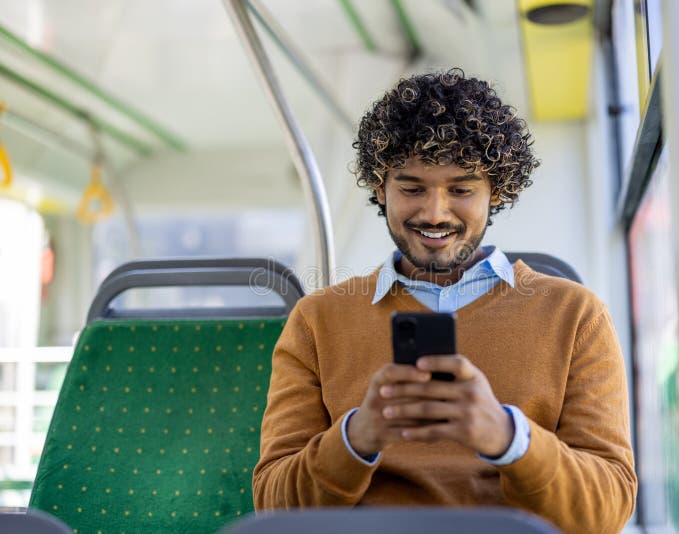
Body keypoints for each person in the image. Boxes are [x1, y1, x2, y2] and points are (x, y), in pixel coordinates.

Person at [252, 68, 637, 534]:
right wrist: (356, 438)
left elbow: (609, 509)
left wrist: (508, 438)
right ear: (381, 189)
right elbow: (273, 506)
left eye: (461, 189)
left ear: (496, 192)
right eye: (411, 188)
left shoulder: (576, 316)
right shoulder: (317, 320)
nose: (434, 213)